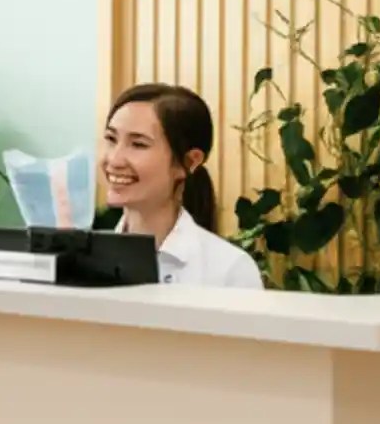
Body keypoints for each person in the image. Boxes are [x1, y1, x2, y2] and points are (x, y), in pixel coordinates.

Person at [102, 83, 263, 289]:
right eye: (111, 139)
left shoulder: (230, 271)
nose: (114, 160)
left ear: (190, 161)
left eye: (138, 144)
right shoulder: (83, 262)